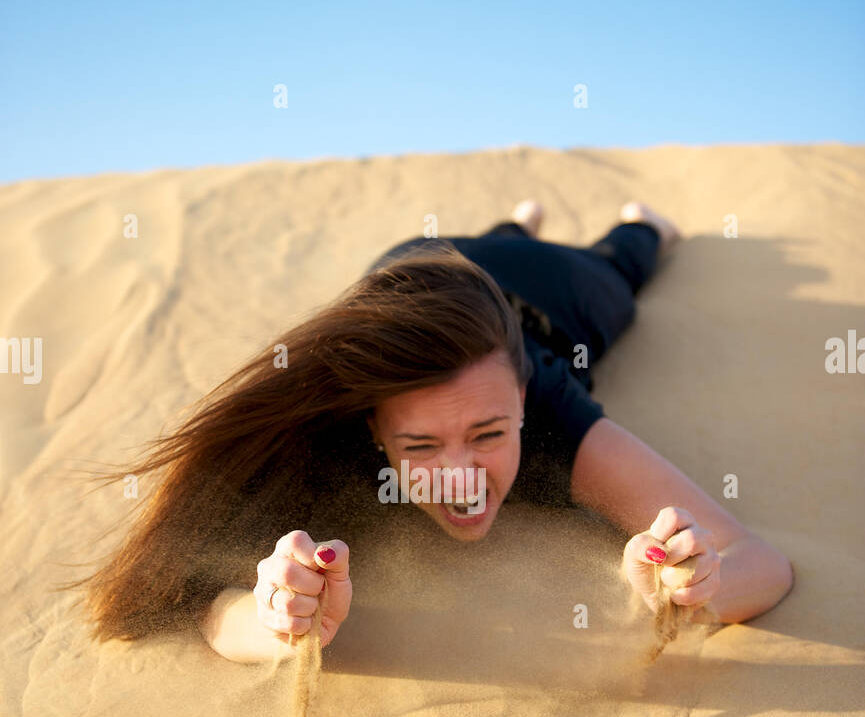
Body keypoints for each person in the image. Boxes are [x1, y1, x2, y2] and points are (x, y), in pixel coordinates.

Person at [83, 201, 793, 662]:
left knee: (617, 273)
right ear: (370, 425)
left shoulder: (551, 410)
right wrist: (271, 618)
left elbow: (758, 562)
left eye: (487, 434)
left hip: (542, 290)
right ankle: (510, 224)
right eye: (419, 446)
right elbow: (211, 607)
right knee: (479, 244)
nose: (459, 474)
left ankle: (621, 224)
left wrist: (692, 587)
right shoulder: (333, 425)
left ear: (521, 398)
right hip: (414, 264)